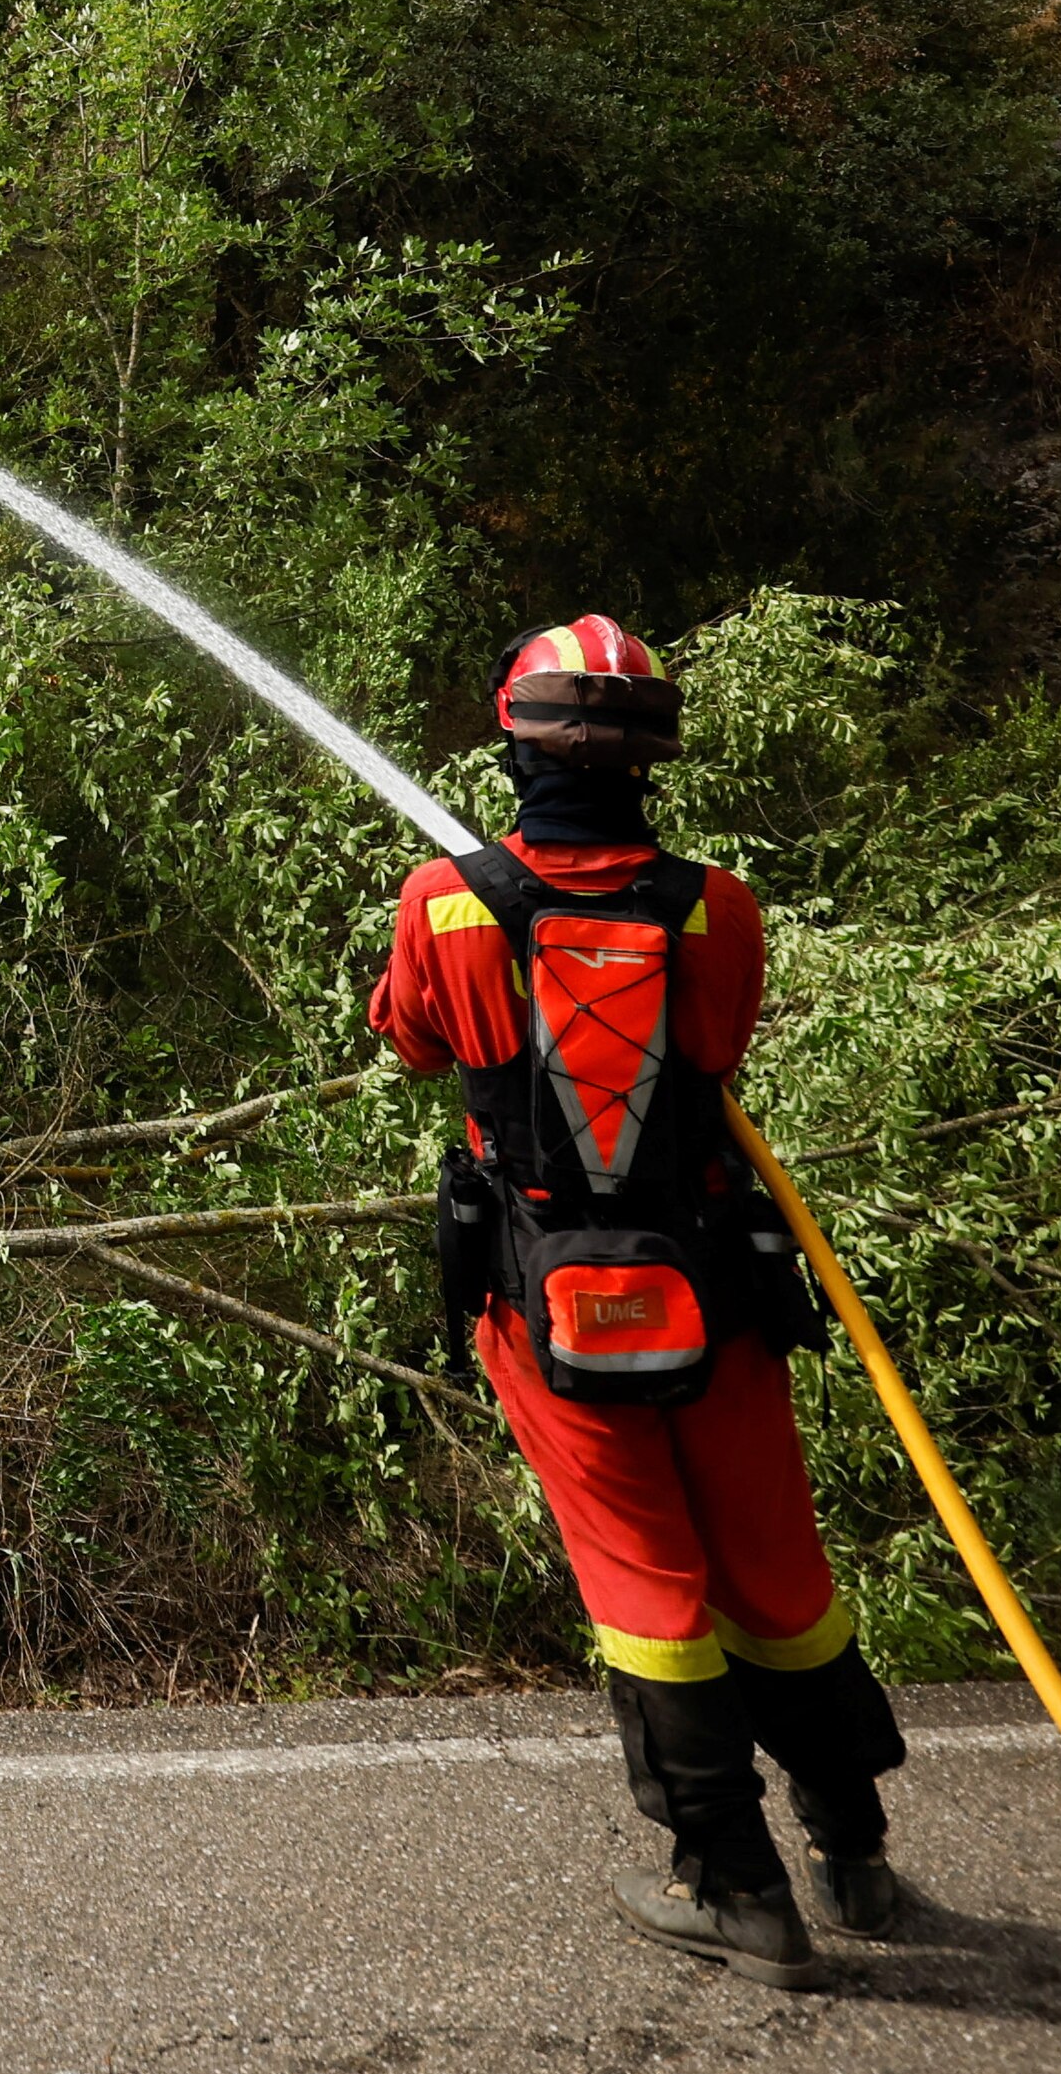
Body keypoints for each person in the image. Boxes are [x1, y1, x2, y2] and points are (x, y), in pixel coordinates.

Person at [366, 616, 911, 1988]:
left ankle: (736, 1889)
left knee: (644, 1583)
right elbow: (716, 1049)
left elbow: (412, 1035)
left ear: (511, 734)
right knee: (780, 1575)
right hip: (719, 1290)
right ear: (657, 752)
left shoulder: (444, 900)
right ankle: (853, 1850)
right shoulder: (716, 906)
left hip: (552, 1311)